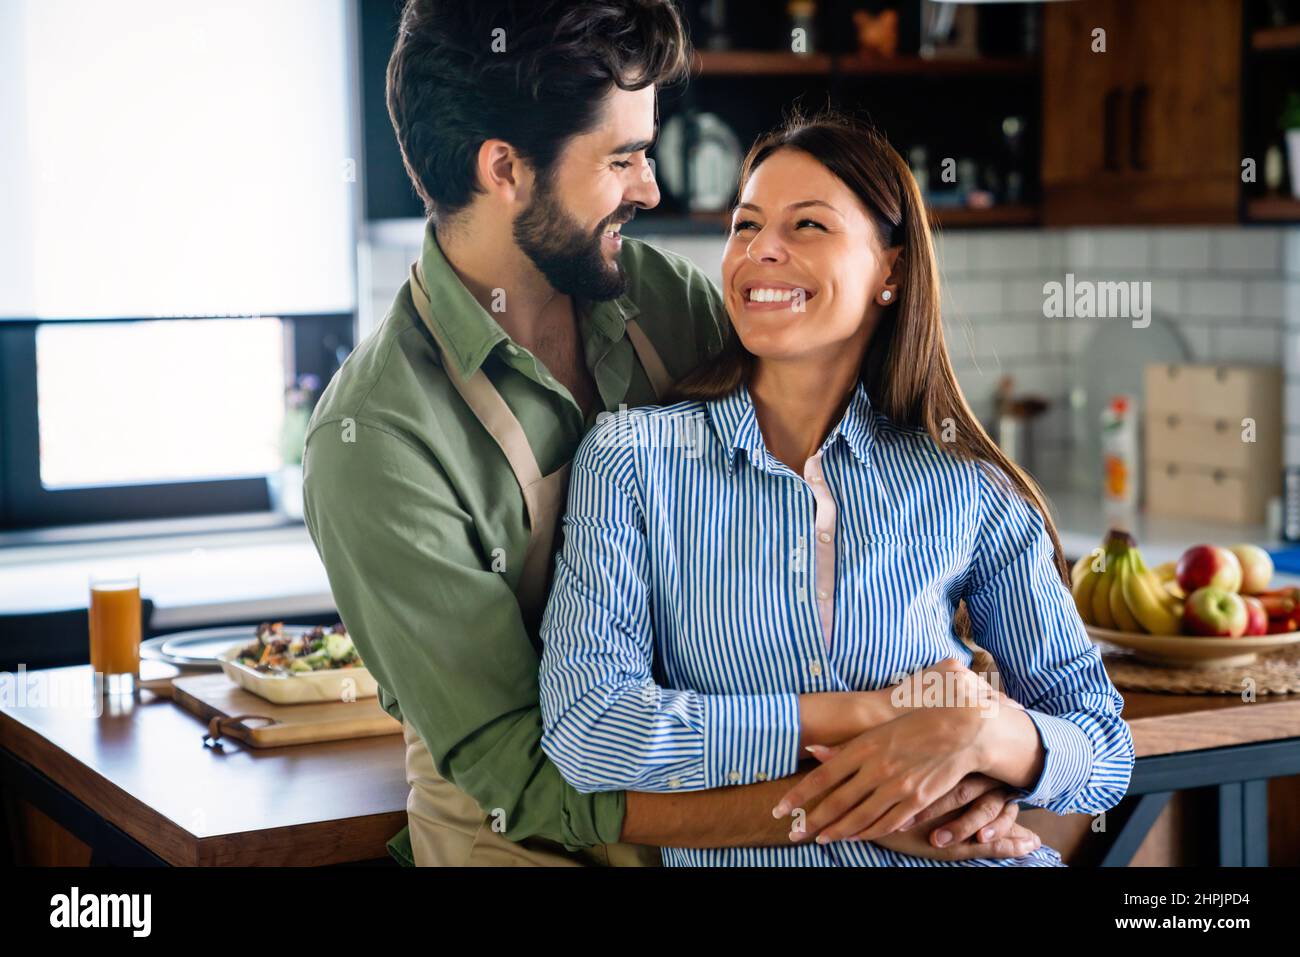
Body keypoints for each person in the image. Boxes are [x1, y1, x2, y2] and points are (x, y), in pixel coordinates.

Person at [305, 0, 1043, 867]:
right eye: (621, 157)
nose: (651, 189)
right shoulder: (381, 440)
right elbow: (526, 770)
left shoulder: (662, 301)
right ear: (505, 168)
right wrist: (872, 798)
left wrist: (960, 746)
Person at [538, 111, 1136, 866]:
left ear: (890, 270)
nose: (762, 251)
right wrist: (876, 718)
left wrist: (979, 732)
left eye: (808, 225)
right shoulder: (633, 463)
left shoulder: (964, 481)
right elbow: (590, 730)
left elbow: (1105, 751)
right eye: (745, 225)